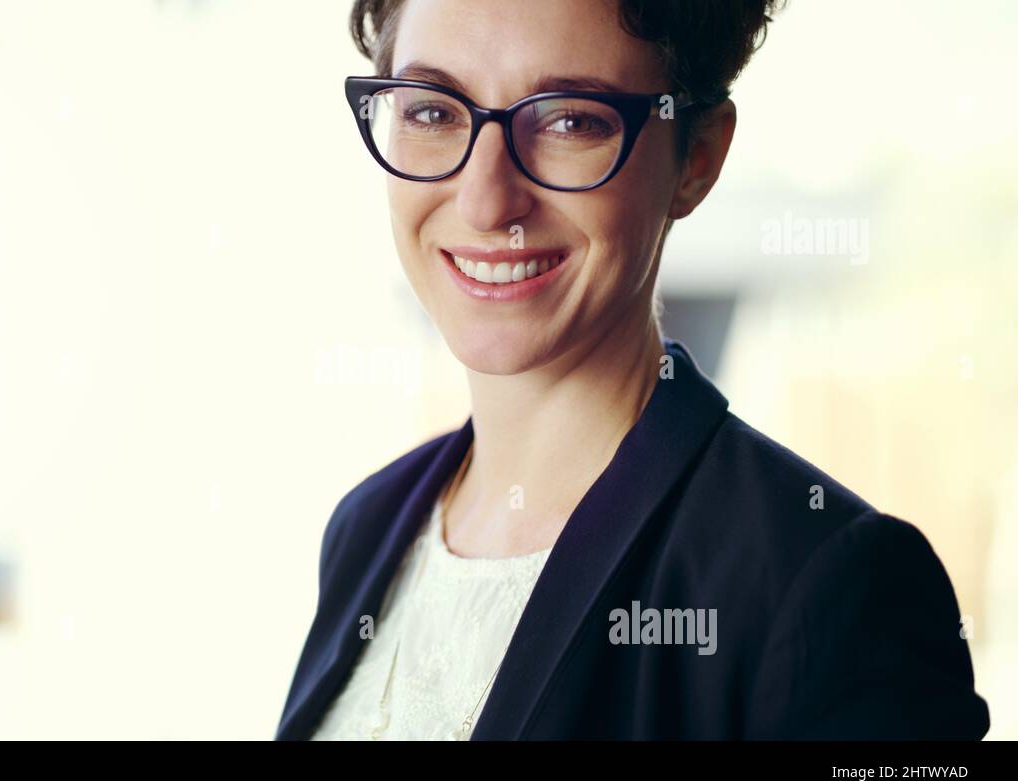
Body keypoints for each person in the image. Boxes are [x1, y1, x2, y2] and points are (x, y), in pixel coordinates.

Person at [276, 0, 989, 740]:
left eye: (570, 120)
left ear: (698, 158)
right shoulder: (366, 527)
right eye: (431, 112)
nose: (489, 202)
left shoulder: (831, 588)